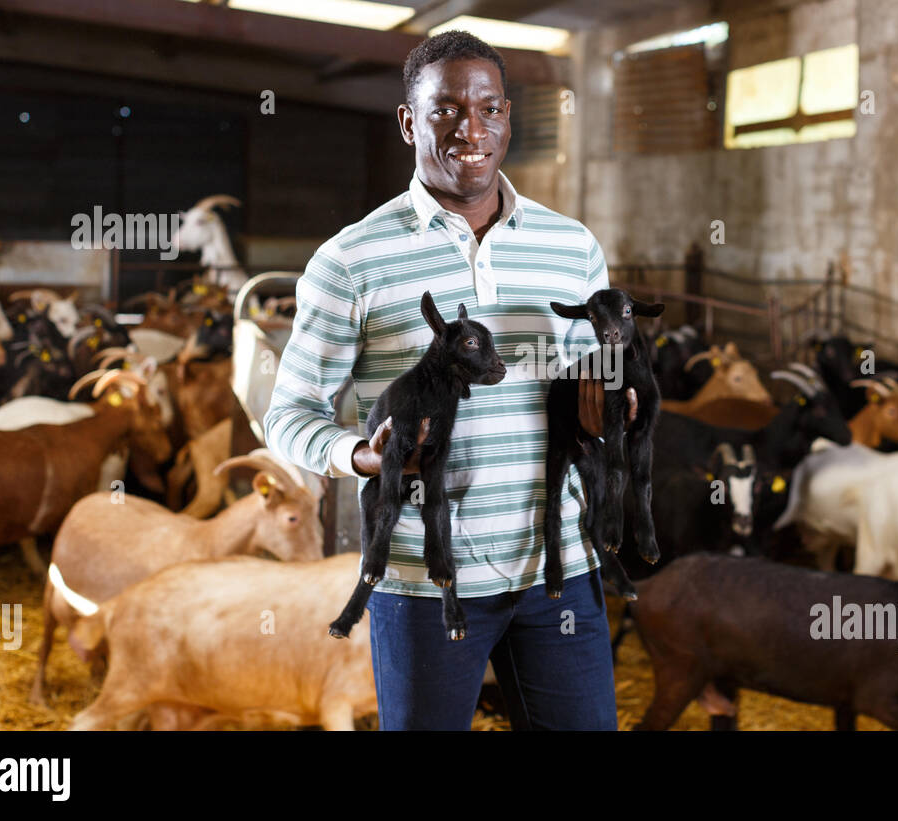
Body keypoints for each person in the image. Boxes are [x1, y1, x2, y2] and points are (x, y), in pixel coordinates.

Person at [265, 31, 636, 730]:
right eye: (446, 110)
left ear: (506, 119)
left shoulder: (572, 246)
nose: (471, 128)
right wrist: (360, 455)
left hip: (558, 571)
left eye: (489, 108)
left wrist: (611, 407)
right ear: (409, 121)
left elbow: (592, 383)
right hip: (423, 580)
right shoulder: (350, 259)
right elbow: (289, 414)